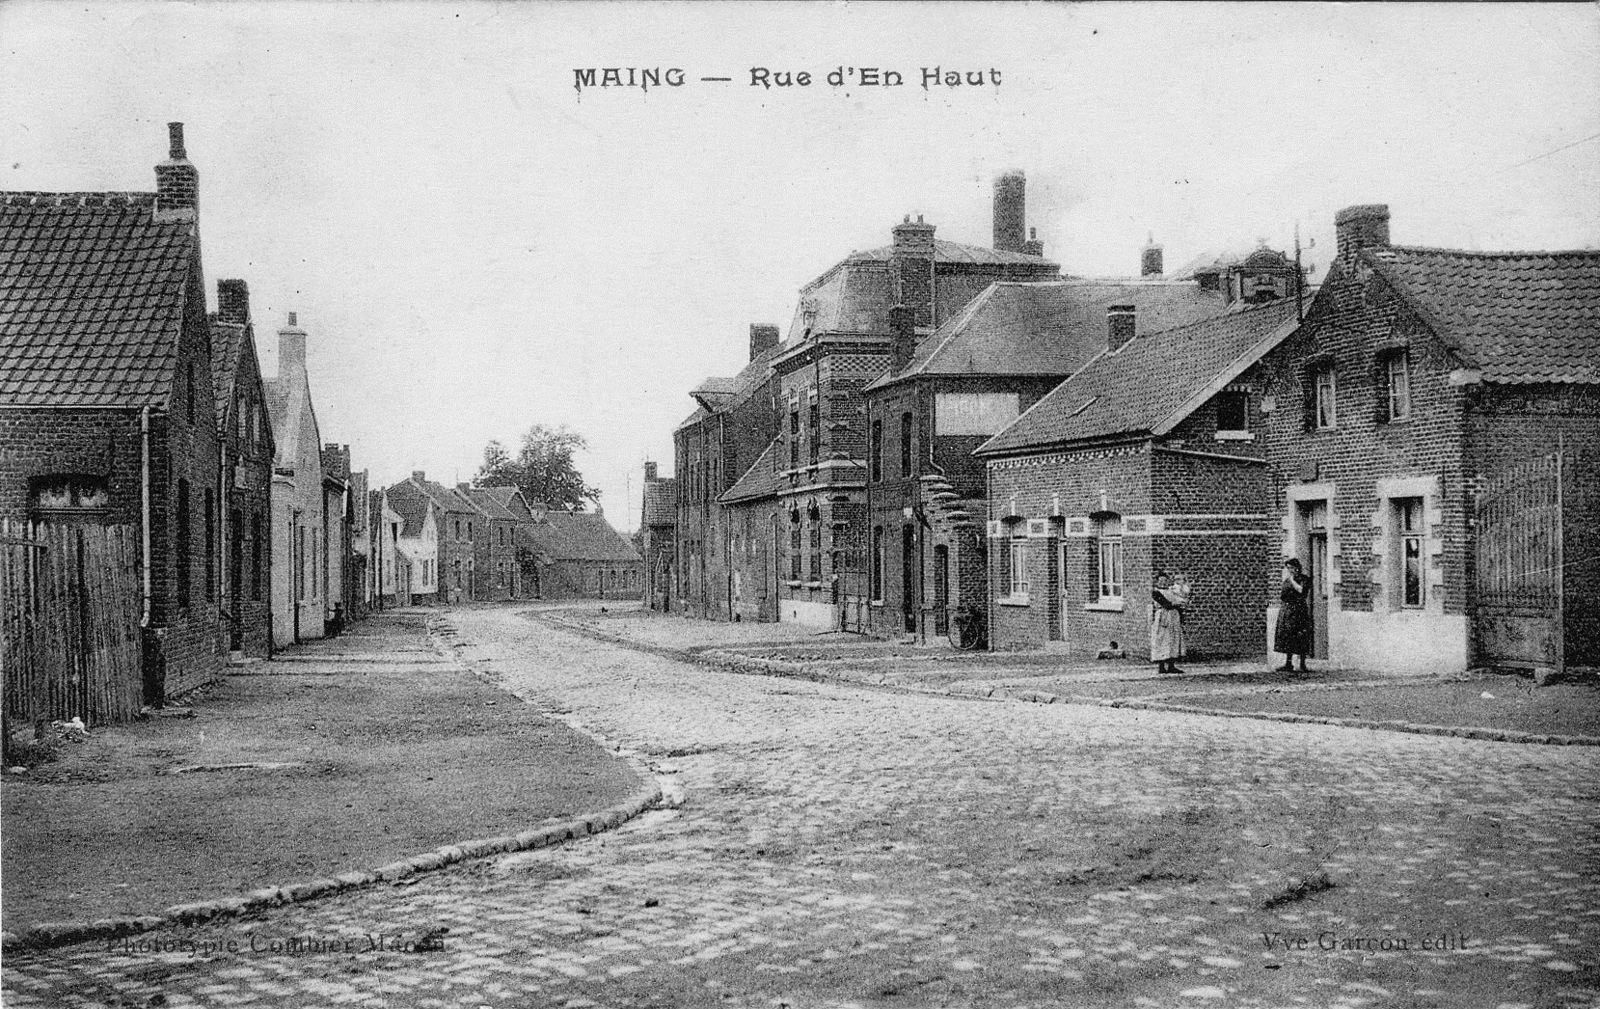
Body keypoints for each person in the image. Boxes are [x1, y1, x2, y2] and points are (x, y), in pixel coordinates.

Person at [1273, 558, 1313, 672]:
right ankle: (1288, 663)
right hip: (1288, 610)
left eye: (1292, 568)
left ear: (1297, 568)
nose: (1290, 570)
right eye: (1288, 568)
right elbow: (1283, 595)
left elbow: (1302, 591)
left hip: (1299, 611)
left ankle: (1302, 663)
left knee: (1301, 635)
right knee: (1288, 635)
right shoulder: (1286, 580)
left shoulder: (1304, 579)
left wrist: (1292, 581)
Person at [1150, 572, 1191, 674]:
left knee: (1173, 639)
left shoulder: (1171, 591)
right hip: (1162, 618)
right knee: (1162, 640)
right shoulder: (1156, 592)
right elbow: (1166, 604)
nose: (1163, 583)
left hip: (1173, 617)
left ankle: (1172, 665)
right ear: (1157, 582)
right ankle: (1161, 666)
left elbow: (1182, 601)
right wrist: (1176, 603)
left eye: (1165, 581)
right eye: (1161, 581)